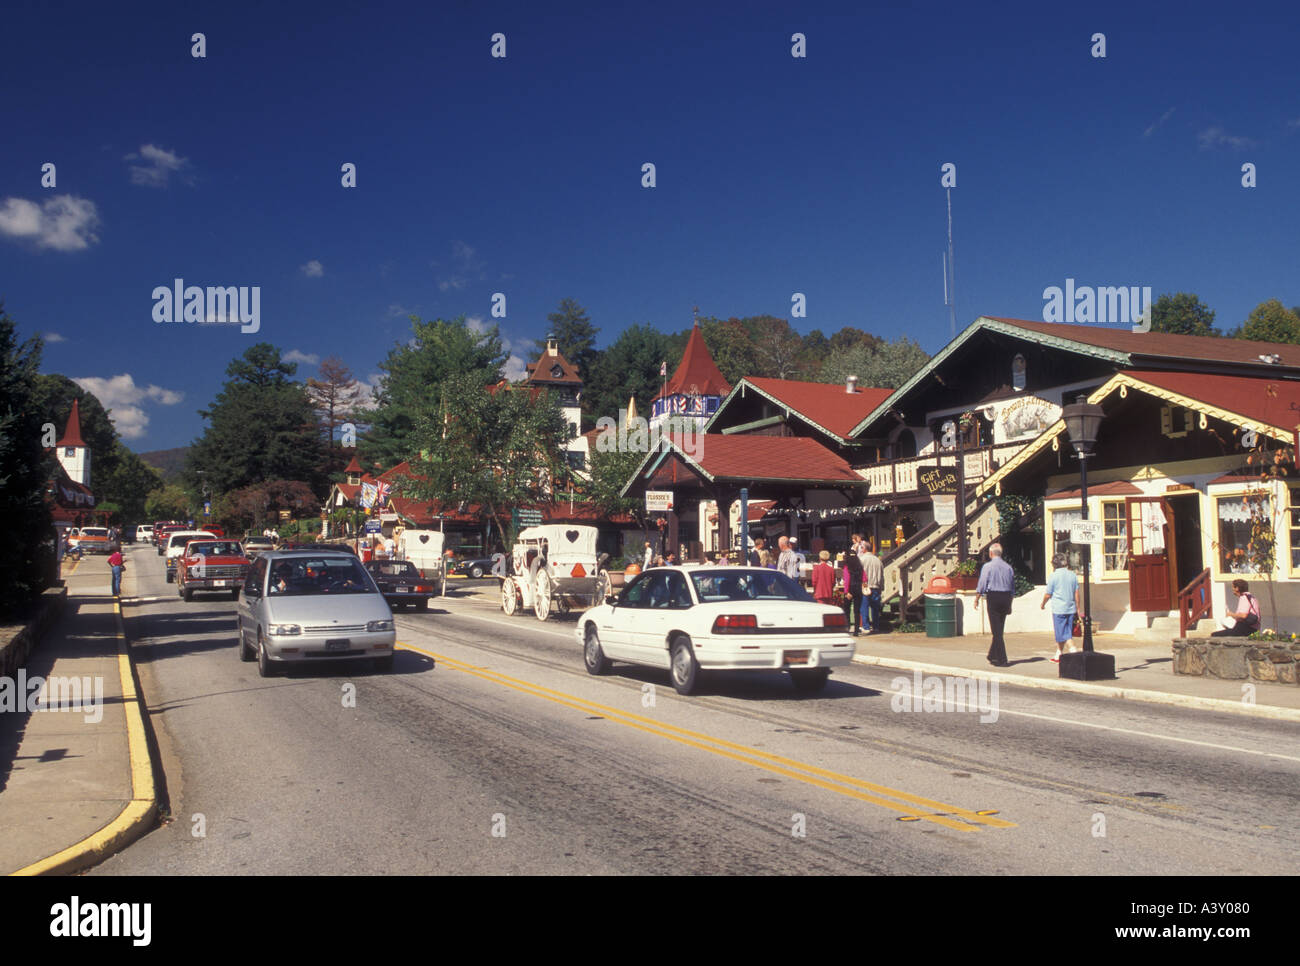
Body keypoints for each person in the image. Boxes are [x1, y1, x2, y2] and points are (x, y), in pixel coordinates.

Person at [973, 543, 1015, 667]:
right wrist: (1010, 603)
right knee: (999, 628)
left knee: (996, 630)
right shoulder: (1008, 567)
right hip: (1006, 597)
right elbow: (1012, 588)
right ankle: (992, 655)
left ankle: (1002, 659)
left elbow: (982, 583)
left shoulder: (988, 566)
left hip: (994, 597)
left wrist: (977, 598)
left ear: (991, 554)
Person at [1040, 553, 1082, 663]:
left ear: (1054, 564)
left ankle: (1073, 650)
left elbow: (1048, 594)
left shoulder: (1053, 576)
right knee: (1066, 630)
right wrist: (1078, 608)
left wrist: (1043, 604)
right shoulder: (1072, 575)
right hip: (1070, 608)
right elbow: (1076, 593)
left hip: (1059, 608)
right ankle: (1059, 654)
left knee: (1062, 633)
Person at [860, 541, 884, 633]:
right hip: (876, 586)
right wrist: (881, 587)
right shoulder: (878, 560)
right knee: (875, 608)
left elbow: (860, 573)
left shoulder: (862, 560)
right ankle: (876, 627)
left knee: (864, 607)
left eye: (862, 548)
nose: (861, 549)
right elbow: (882, 576)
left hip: (865, 586)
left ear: (865, 549)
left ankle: (866, 626)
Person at [842, 550, 865, 637]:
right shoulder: (860, 567)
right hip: (858, 589)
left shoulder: (846, 567)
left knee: (847, 610)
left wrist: (846, 591)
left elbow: (847, 580)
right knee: (857, 611)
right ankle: (856, 630)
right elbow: (865, 578)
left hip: (850, 589)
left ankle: (847, 627)